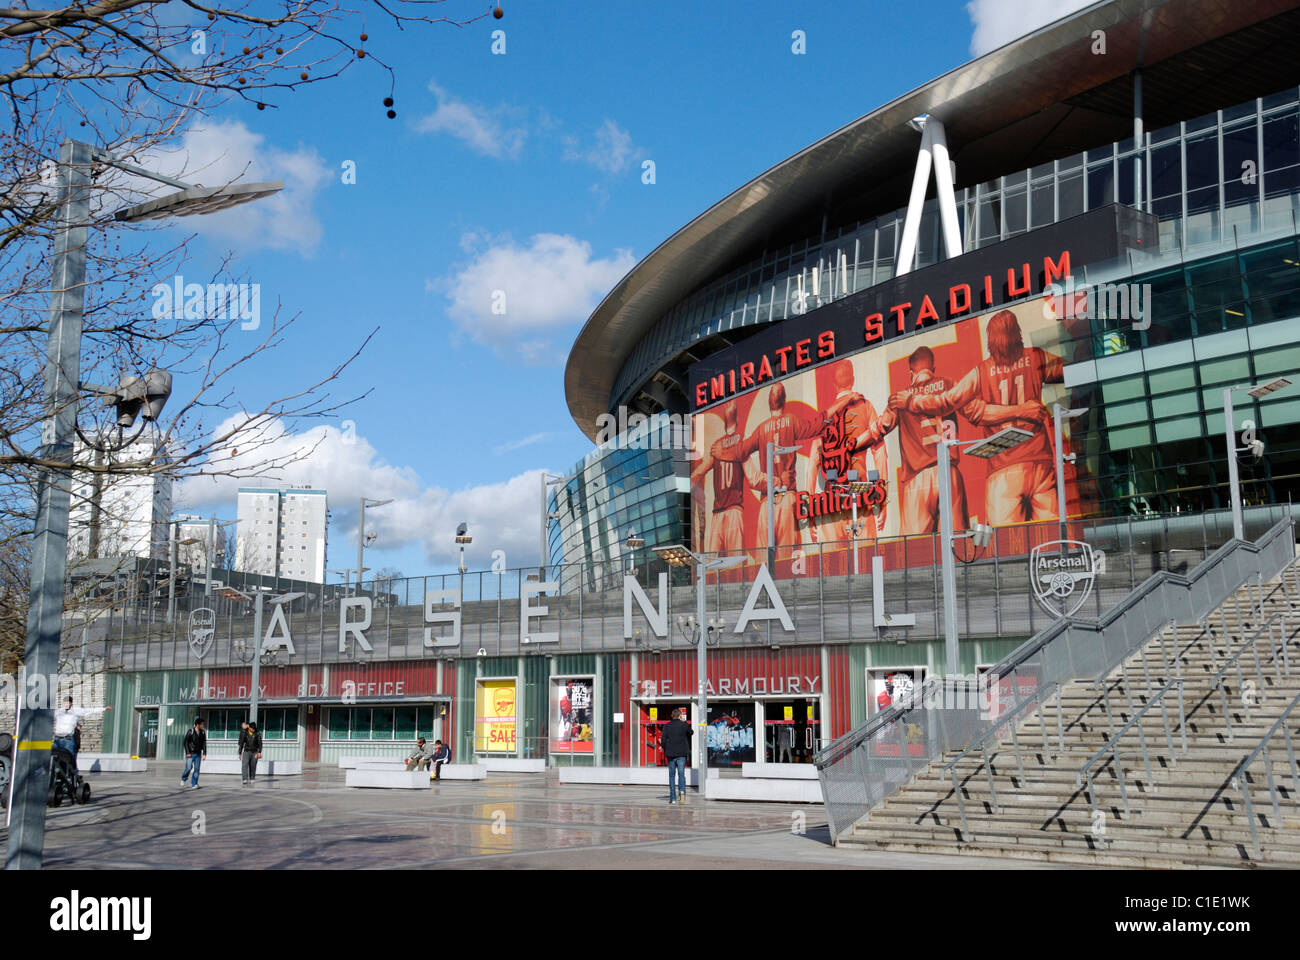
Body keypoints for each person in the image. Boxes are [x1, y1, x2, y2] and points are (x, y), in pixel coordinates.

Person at [899, 310, 1064, 524]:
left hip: (1003, 468)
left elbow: (947, 401)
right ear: (1018, 334)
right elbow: (1072, 369)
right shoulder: (1036, 357)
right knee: (1053, 536)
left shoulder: (982, 372)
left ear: (991, 340)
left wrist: (912, 401)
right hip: (1040, 461)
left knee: (1005, 544)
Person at [691, 400, 747, 554]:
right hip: (734, 509)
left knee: (712, 566)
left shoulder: (716, 446)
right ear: (738, 420)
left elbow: (700, 471)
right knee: (735, 564)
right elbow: (753, 477)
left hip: (718, 513)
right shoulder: (741, 441)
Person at [661, 708, 693, 804]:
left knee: (671, 776)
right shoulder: (684, 725)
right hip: (682, 754)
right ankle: (682, 792)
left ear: (672, 716)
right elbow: (691, 732)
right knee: (681, 774)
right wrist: (685, 722)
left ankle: (673, 798)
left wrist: (666, 748)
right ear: (680, 716)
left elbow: (663, 741)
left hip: (670, 754)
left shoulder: (667, 726)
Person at [181, 717, 207, 789]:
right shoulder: (190, 731)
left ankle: (194, 783)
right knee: (188, 768)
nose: (202, 725)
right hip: (190, 753)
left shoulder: (202, 732)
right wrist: (188, 752)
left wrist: (204, 753)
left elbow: (204, 743)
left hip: (198, 753)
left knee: (196, 769)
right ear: (197, 725)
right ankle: (183, 778)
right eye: (201, 724)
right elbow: (185, 742)